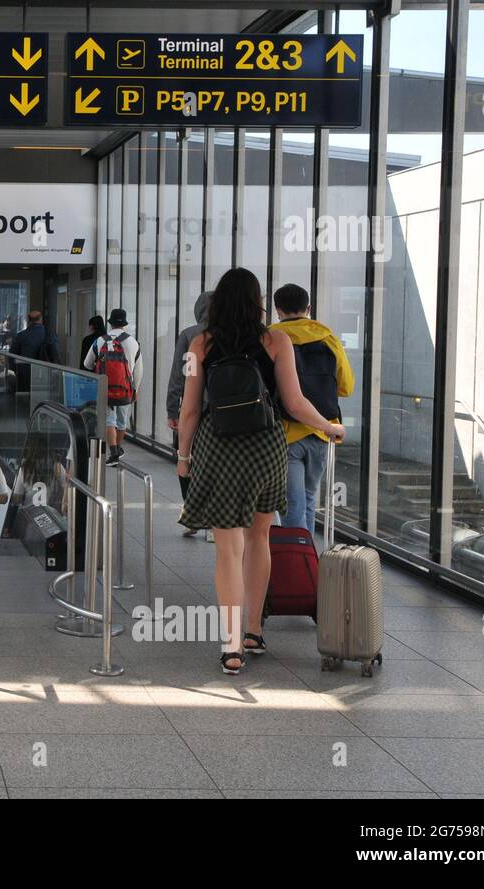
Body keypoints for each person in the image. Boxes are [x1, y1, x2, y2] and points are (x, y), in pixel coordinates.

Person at [176, 268, 345, 676]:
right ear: (258, 301)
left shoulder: (199, 344)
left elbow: (191, 409)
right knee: (259, 538)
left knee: (227, 550)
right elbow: (295, 402)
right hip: (265, 447)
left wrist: (184, 455)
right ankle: (253, 630)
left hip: (218, 448)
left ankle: (231, 645)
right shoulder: (276, 341)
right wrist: (329, 426)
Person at [269, 283, 354, 530]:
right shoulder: (328, 338)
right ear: (308, 308)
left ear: (277, 310)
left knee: (292, 505)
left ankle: (299, 566)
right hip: (322, 431)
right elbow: (346, 387)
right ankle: (307, 562)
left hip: (286, 433)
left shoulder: (271, 337)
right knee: (307, 501)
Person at [166, 291, 213, 536]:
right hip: (227, 412)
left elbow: (179, 374)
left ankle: (193, 513)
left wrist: (172, 408)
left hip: (195, 409)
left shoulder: (190, 335)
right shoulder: (236, 333)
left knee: (185, 460)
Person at [83, 307, 140, 463]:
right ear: (125, 324)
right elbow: (138, 370)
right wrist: (136, 389)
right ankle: (118, 448)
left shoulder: (100, 340)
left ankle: (113, 451)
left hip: (104, 388)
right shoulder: (133, 342)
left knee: (109, 420)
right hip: (125, 388)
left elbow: (86, 364)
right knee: (122, 422)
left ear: (110, 323)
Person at [9, 310, 58, 392]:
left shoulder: (21, 335)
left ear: (29, 320)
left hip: (25, 373)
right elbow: (55, 354)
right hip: (44, 371)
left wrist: (16, 370)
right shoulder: (50, 334)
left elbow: (12, 355)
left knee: (25, 395)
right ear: (41, 319)